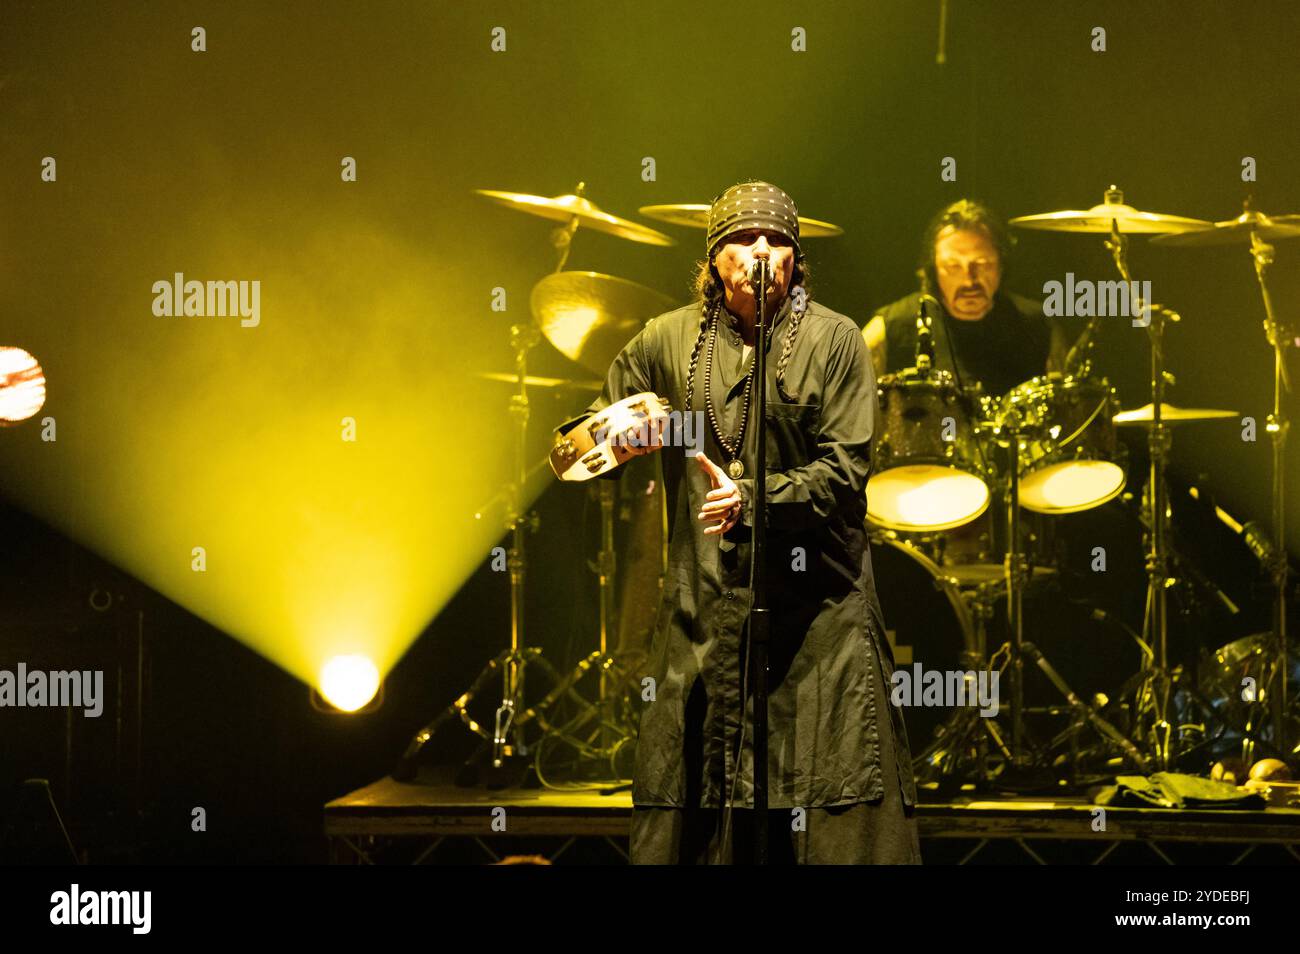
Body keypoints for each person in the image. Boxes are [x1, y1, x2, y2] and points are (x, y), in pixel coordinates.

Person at [554, 181, 920, 864]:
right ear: (715, 257)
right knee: (700, 809)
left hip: (819, 627)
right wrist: (624, 435)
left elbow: (846, 475)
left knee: (828, 810)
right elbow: (581, 445)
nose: (761, 253)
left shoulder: (835, 340)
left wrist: (752, 499)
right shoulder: (666, 339)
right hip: (705, 616)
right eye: (744, 240)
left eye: (777, 241)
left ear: (796, 258)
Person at [862, 199, 1069, 396]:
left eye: (982, 264)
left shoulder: (1039, 327)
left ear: (1001, 264)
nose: (969, 280)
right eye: (953, 267)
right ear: (933, 269)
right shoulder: (887, 330)